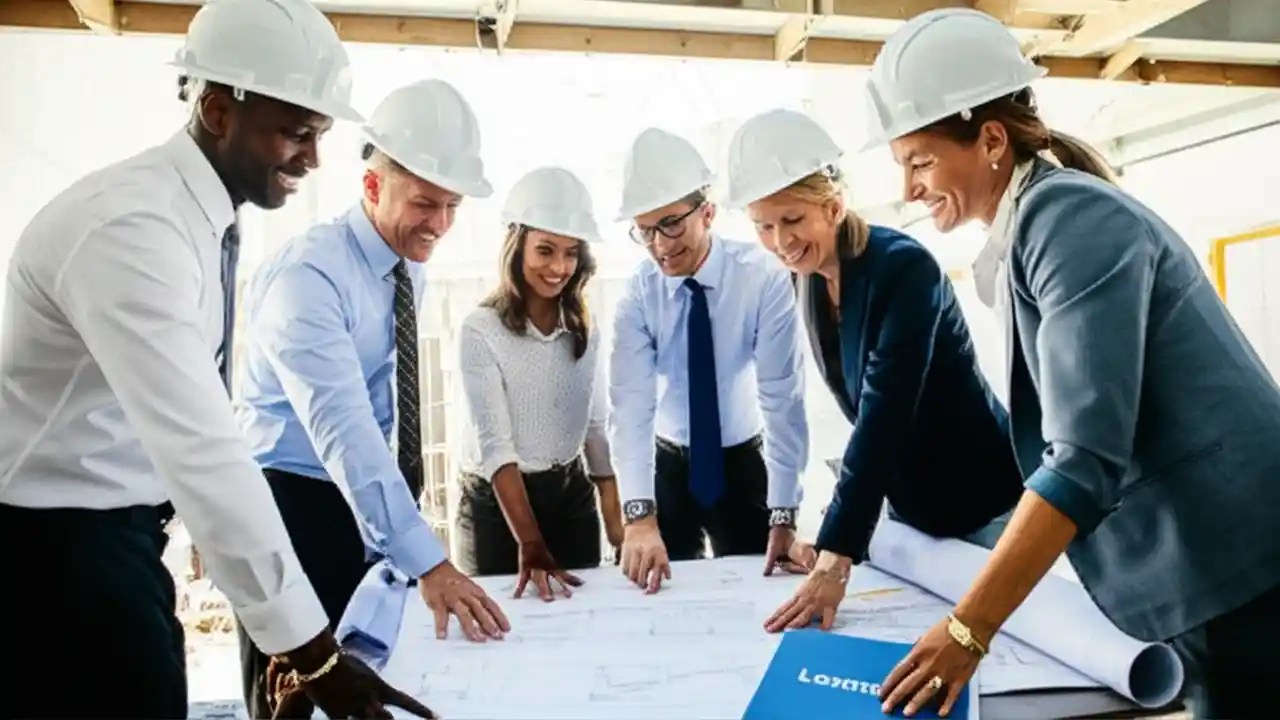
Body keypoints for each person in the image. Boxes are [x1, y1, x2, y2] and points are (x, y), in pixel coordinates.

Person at [0, 0, 432, 718]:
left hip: (111, 542)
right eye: (296, 132)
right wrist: (315, 655)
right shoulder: (133, 229)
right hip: (57, 557)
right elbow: (204, 451)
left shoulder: (195, 218)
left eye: (320, 135)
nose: (312, 158)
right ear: (218, 110)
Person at [858, 9, 1280, 719]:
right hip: (1207, 572)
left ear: (992, 140)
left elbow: (1084, 457)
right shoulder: (1040, 225)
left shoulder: (1071, 222)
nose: (909, 189)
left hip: (1242, 570)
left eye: (920, 161)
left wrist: (968, 629)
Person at [233, 78, 510, 718]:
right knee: (293, 698)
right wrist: (428, 562)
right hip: (290, 507)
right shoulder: (308, 277)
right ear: (372, 185)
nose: (440, 225)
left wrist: (391, 537)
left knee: (363, 687)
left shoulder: (406, 267)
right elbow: (345, 431)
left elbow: (382, 411)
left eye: (452, 206)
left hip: (355, 506)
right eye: (425, 204)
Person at [714, 108, 1024, 635]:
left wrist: (836, 556)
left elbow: (884, 415)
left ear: (833, 208)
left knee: (986, 654)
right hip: (911, 511)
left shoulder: (903, 269)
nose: (780, 241)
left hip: (980, 505)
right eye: (764, 226)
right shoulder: (808, 276)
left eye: (793, 220)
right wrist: (805, 526)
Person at [609, 128, 810, 594]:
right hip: (667, 470)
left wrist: (784, 512)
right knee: (662, 599)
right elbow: (630, 407)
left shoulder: (763, 278)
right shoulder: (639, 293)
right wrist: (638, 516)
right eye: (646, 231)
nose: (661, 245)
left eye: (671, 224)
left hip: (742, 465)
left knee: (759, 591)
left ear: (708, 213)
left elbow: (782, 398)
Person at [455, 166, 623, 599]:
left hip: (571, 499)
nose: (559, 267)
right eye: (545, 250)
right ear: (517, 247)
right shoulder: (480, 329)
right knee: (502, 623)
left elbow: (595, 428)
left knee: (586, 615)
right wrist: (530, 543)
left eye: (571, 253)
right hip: (497, 507)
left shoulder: (584, 327)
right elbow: (496, 448)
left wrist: (620, 532)